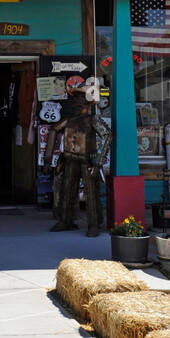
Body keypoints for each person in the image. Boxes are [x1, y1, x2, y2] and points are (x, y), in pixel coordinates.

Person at [43, 94, 110, 237]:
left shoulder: (92, 120)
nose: (76, 104)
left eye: (79, 101)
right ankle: (66, 220)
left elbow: (107, 135)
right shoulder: (69, 120)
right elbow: (54, 130)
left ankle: (94, 223)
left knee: (91, 192)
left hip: (87, 159)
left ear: (86, 104)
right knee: (67, 190)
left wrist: (98, 161)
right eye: (75, 101)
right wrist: (47, 158)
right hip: (70, 159)